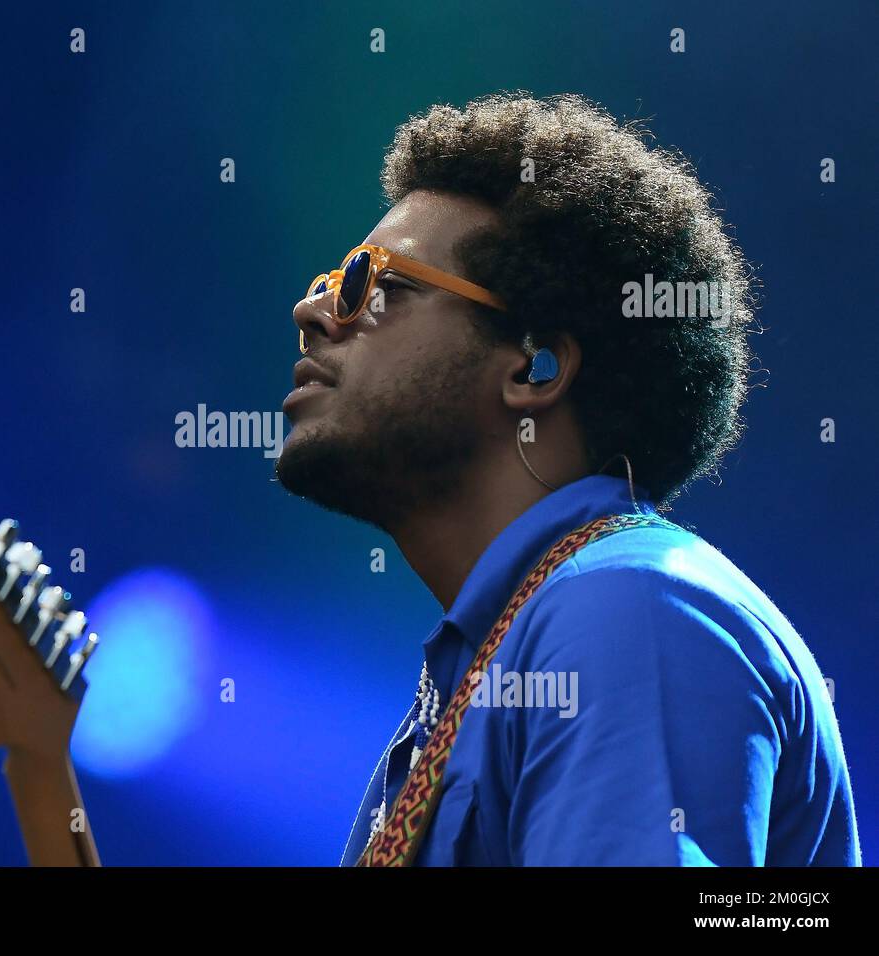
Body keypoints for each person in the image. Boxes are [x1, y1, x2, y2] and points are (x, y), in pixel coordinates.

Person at [275, 92, 860, 866]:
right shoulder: (482, 672)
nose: (313, 310)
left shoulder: (630, 608)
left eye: (368, 280)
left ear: (532, 367)